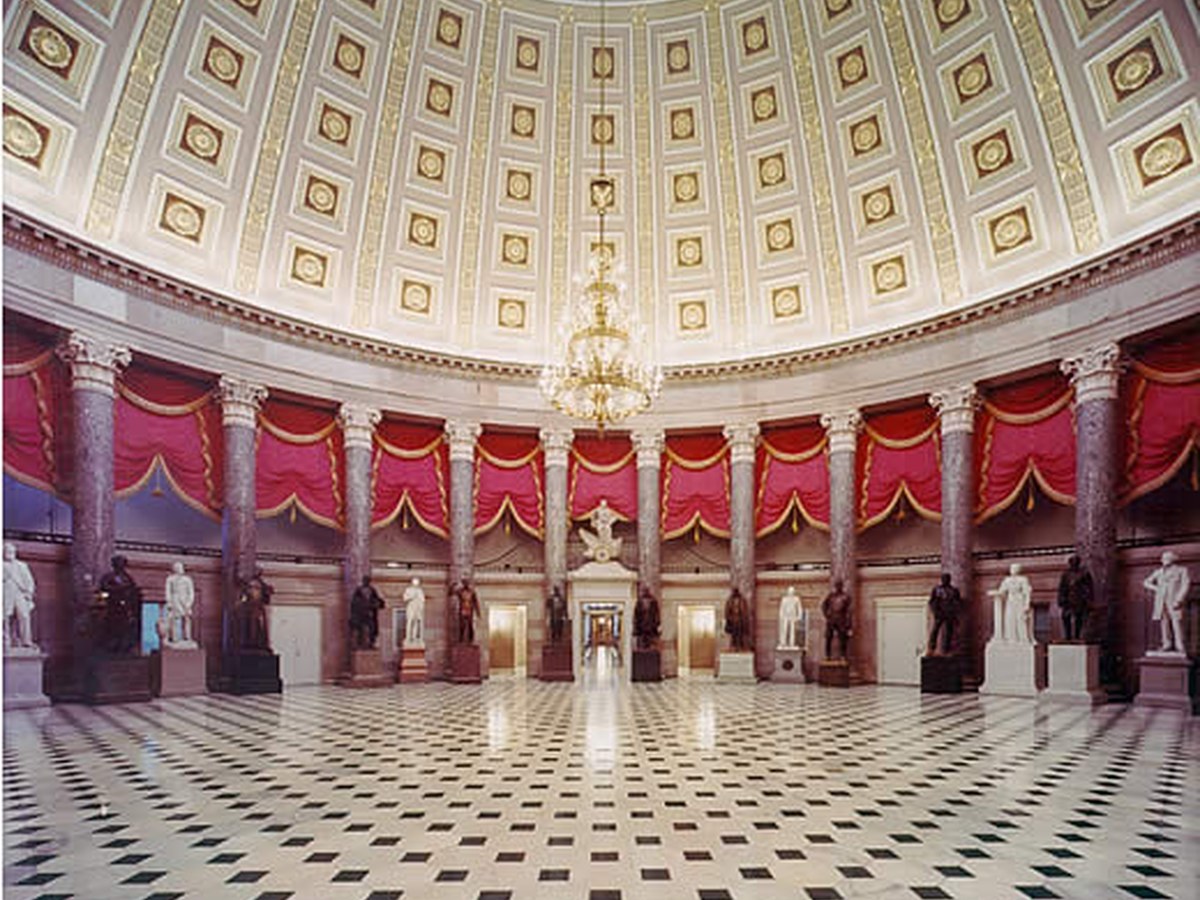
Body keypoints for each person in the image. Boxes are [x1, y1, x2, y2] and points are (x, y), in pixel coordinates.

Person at [1144, 551, 1191, 654]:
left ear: (1173, 559)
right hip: (1161, 601)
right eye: (1163, 558)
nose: (1164, 560)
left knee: (1176, 622)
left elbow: (1185, 585)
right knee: (1164, 623)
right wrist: (1156, 588)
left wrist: (1179, 599)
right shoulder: (1158, 572)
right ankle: (1166, 644)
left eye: (1167, 558)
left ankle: (1180, 646)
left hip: (1174, 600)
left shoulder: (1181, 570)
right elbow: (1146, 582)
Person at [97, 555, 142, 655]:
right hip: (113, 606)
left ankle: (125, 647)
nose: (121, 565)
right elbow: (104, 587)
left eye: (122, 563)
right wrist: (117, 589)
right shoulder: (108, 577)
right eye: (118, 563)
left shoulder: (127, 577)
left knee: (126, 627)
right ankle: (112, 647)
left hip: (125, 607)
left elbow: (132, 589)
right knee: (112, 627)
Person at [988, 563, 1033, 644]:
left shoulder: (1023, 579)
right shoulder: (1007, 580)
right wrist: (994, 592)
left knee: (1020, 619)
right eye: (1012, 568)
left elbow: (1027, 592)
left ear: (1018, 570)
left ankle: (1023, 639)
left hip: (1019, 600)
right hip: (1010, 600)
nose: (1013, 570)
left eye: (1015, 568)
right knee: (1010, 619)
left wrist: (1027, 604)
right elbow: (1002, 591)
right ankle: (1012, 638)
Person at [3, 543, 37, 650]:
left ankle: (26, 640)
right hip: (5, 595)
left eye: (11, 551)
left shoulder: (22, 565)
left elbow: (29, 581)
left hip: (19, 595)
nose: (9, 553)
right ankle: (6, 641)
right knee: (5, 619)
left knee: (24, 616)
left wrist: (29, 593)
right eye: (7, 551)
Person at [1056, 555, 1093, 642]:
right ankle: (1067, 636)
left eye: (1075, 562)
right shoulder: (1066, 574)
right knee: (1065, 616)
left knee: (1078, 618)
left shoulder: (1084, 573)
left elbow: (1089, 588)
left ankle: (1077, 636)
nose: (1073, 564)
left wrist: (1089, 600)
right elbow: (1062, 587)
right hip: (1068, 599)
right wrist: (1060, 599)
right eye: (1072, 562)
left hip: (1079, 599)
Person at [236, 569, 273, 651]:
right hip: (246, 645)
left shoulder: (263, 608)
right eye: (250, 588)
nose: (252, 591)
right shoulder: (242, 607)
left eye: (256, 588)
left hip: (260, 645)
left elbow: (266, 627)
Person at [163, 561, 197, 647]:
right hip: (175, 599)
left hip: (185, 601)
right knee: (175, 619)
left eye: (180, 567)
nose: (179, 569)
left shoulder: (187, 579)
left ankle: (187, 637)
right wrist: (169, 602)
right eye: (177, 567)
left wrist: (189, 603)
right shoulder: (170, 579)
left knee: (187, 619)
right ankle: (175, 638)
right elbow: (168, 591)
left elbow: (191, 593)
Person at [927, 573, 961, 655]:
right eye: (944, 578)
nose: (945, 580)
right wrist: (936, 611)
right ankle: (931, 648)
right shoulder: (937, 590)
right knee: (935, 630)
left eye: (947, 579)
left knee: (949, 632)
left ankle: (947, 650)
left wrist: (954, 613)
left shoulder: (954, 590)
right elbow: (932, 602)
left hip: (949, 613)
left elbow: (957, 602)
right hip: (940, 613)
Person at [349, 575, 385, 650]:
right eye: (365, 580)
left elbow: (376, 599)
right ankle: (359, 644)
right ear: (363, 581)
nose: (367, 582)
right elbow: (354, 601)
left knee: (372, 628)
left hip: (370, 613)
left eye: (368, 580)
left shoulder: (372, 590)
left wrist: (379, 603)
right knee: (360, 629)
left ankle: (372, 643)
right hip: (360, 613)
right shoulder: (359, 590)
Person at [822, 579, 852, 659]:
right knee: (828, 637)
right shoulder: (831, 596)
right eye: (837, 585)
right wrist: (827, 615)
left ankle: (843, 655)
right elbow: (824, 605)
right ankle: (827, 655)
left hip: (841, 619)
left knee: (843, 638)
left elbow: (849, 611)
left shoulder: (846, 597)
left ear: (842, 586)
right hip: (831, 619)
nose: (838, 587)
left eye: (839, 585)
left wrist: (848, 624)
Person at [452, 579, 481, 644]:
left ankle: (471, 640)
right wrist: (453, 585)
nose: (466, 585)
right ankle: (461, 639)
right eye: (464, 583)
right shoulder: (460, 591)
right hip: (462, 610)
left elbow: (475, 602)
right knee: (462, 626)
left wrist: (478, 611)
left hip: (469, 610)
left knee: (470, 625)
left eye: (467, 583)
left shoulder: (472, 592)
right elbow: (451, 593)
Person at [634, 585, 660, 651]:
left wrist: (657, 623)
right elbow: (636, 614)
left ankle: (649, 646)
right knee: (642, 637)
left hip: (651, 625)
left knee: (650, 637)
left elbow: (656, 614)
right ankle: (643, 646)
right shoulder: (639, 602)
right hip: (641, 625)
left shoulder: (653, 602)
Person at [403, 577, 425, 646]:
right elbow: (405, 598)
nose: (416, 583)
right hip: (411, 607)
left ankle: (414, 637)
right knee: (410, 621)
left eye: (417, 582)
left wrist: (421, 608)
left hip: (418, 607)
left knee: (416, 622)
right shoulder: (408, 590)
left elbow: (423, 600)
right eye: (415, 582)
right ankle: (408, 637)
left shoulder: (420, 590)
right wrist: (412, 596)